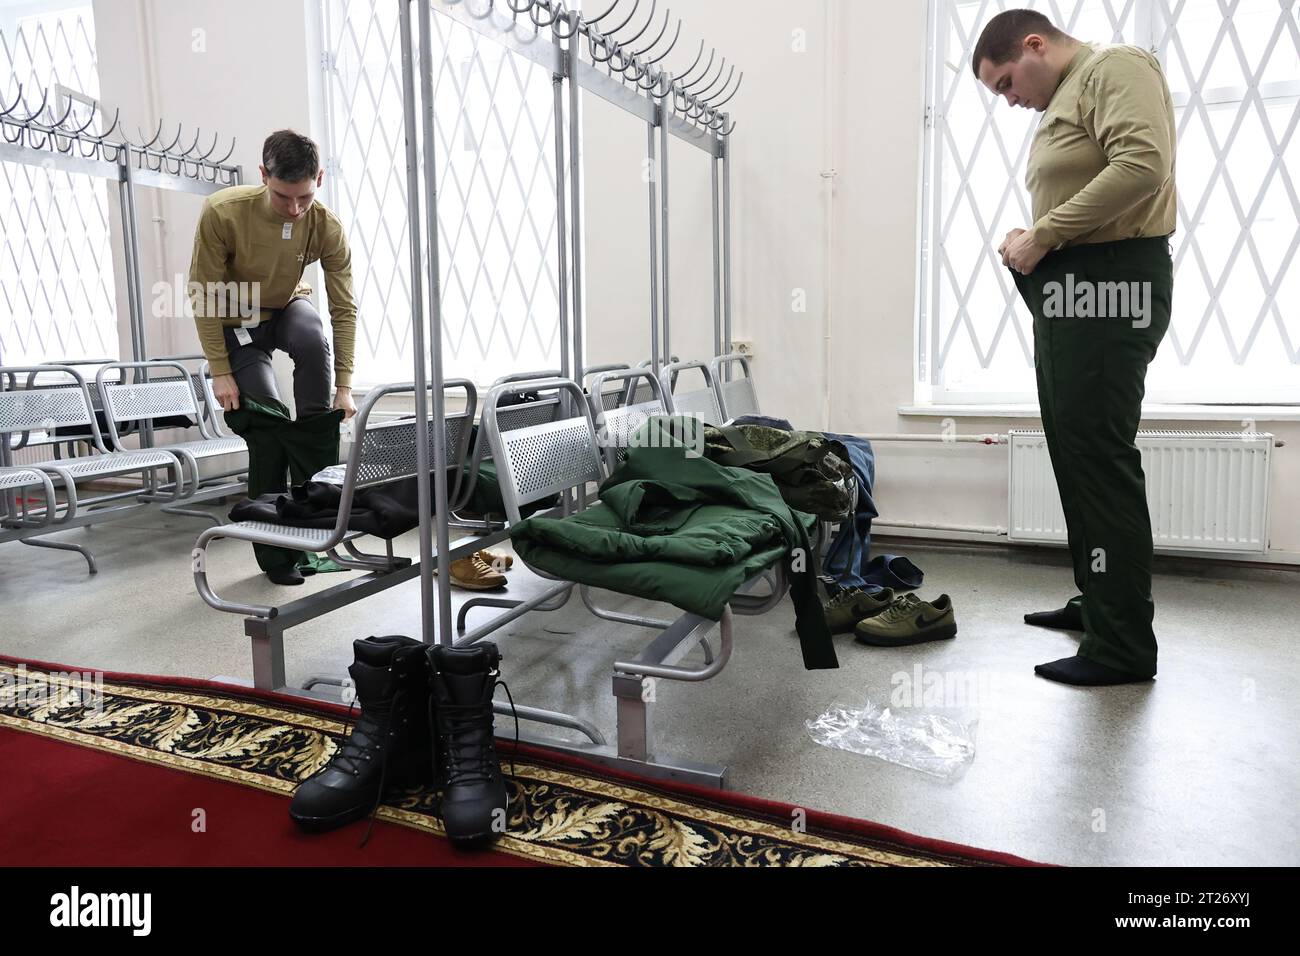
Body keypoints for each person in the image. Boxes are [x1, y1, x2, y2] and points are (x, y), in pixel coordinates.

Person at [972, 10, 1177, 686]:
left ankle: (1122, 647)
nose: (1009, 100)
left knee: (1098, 457)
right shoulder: (1069, 96)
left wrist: (1044, 234)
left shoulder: (1115, 68)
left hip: (1111, 283)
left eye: (1006, 83)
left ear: (1035, 46)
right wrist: (1030, 242)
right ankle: (1100, 600)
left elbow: (1143, 166)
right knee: (1072, 449)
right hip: (1076, 288)